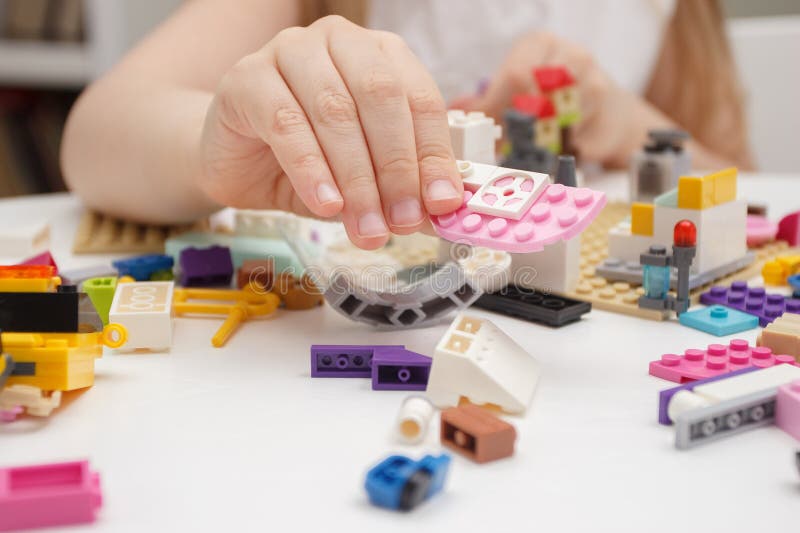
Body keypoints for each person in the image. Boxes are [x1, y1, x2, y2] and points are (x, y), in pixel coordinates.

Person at [61, 0, 752, 250]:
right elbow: (96, 132)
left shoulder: (660, 14)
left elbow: (756, 197)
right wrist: (213, 148)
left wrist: (635, 124)